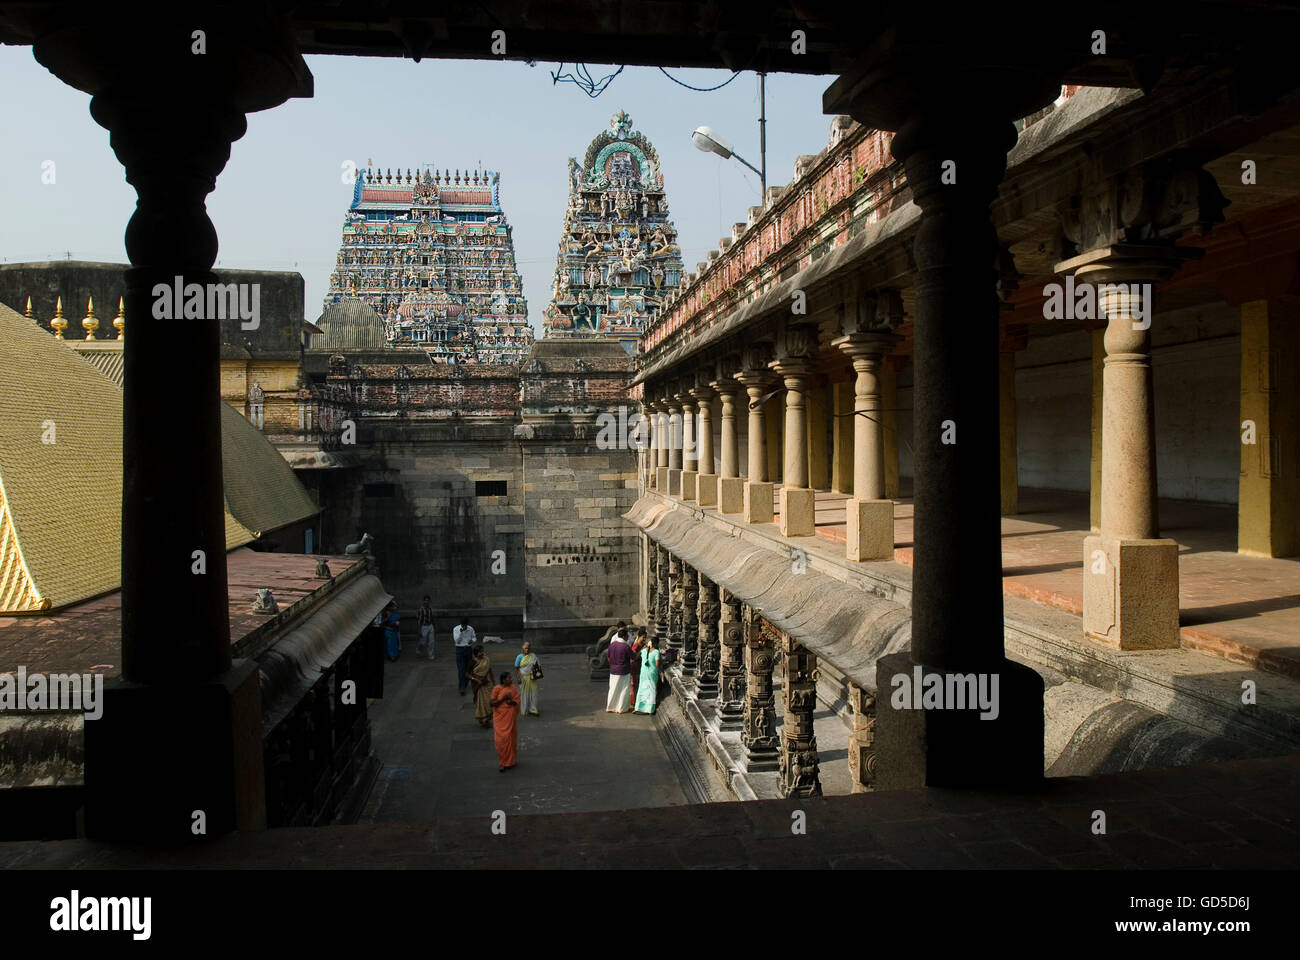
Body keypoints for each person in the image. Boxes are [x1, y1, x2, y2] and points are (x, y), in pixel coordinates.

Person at [490, 672, 520, 771]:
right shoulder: (497, 689)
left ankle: (510, 761)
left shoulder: (513, 689)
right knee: (500, 741)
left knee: (511, 739)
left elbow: (517, 701)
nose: (511, 679)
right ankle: (502, 762)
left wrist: (511, 702)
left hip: (510, 718)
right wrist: (503, 698)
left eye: (510, 678)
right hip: (500, 719)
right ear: (503, 680)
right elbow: (492, 703)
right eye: (508, 678)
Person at [605, 628, 633, 713]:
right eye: (627, 636)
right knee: (624, 689)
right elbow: (633, 657)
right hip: (623, 670)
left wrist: (613, 664)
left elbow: (608, 657)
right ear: (624, 636)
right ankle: (621, 708)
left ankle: (610, 706)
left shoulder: (612, 645)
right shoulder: (625, 646)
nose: (628, 637)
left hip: (613, 670)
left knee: (613, 689)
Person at [514, 642, 541, 717]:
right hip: (523, 678)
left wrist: (536, 671)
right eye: (526, 648)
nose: (527, 649)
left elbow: (537, 664)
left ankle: (533, 709)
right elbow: (516, 668)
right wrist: (518, 677)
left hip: (532, 678)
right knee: (524, 694)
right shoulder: (519, 657)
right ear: (522, 648)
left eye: (529, 648)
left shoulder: (533, 656)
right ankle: (525, 708)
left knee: (534, 694)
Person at [635, 636, 661, 714]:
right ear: (656, 644)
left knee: (642, 689)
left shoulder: (643, 651)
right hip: (652, 673)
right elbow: (657, 664)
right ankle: (649, 709)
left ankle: (638, 707)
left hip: (643, 672)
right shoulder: (656, 652)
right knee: (651, 690)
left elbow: (637, 657)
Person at [469, 644, 493, 727]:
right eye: (480, 652)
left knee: (488, 701)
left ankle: (487, 719)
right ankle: (483, 719)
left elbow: (489, 670)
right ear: (476, 653)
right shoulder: (473, 662)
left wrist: (493, 682)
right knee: (481, 702)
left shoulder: (486, 659)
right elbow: (467, 674)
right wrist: (476, 680)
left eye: (482, 651)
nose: (482, 653)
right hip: (478, 686)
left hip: (487, 683)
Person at [452, 617, 476, 695]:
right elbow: (457, 641)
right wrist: (461, 632)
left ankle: (465, 683)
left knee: (468, 668)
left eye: (466, 625)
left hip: (468, 649)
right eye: (463, 625)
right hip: (460, 649)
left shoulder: (470, 629)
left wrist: (472, 640)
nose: (465, 627)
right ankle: (462, 687)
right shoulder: (456, 629)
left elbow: (474, 637)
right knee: (461, 669)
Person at [416, 596, 436, 660]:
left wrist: (434, 626)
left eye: (428, 600)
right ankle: (419, 648)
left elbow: (432, 618)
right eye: (426, 600)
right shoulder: (421, 610)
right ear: (423, 601)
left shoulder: (430, 609)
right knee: (423, 641)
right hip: (424, 626)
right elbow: (419, 621)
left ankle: (431, 655)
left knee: (431, 641)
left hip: (430, 626)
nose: (427, 602)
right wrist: (419, 630)